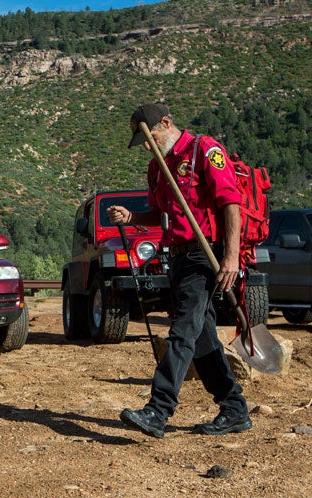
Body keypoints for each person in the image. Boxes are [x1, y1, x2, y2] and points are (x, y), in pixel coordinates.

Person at [107, 103, 252, 439]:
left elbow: (231, 204)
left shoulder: (205, 151)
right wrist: (131, 218)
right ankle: (234, 408)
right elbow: (160, 214)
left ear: (167, 123)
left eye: (149, 137)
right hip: (179, 257)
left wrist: (231, 258)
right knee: (201, 338)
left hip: (205, 255)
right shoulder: (158, 168)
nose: (146, 145)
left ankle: (158, 410)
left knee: (183, 331)